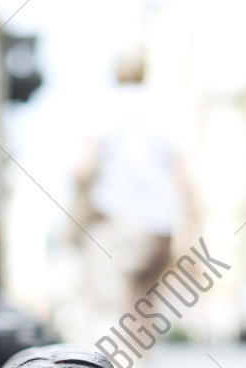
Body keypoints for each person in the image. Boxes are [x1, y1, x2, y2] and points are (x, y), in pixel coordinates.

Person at [74, 51, 195, 316]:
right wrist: (186, 232)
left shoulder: (105, 106)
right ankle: (140, 344)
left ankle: (111, 344)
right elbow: (185, 179)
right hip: (160, 229)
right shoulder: (165, 108)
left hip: (116, 220)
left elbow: (82, 170)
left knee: (106, 307)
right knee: (143, 308)